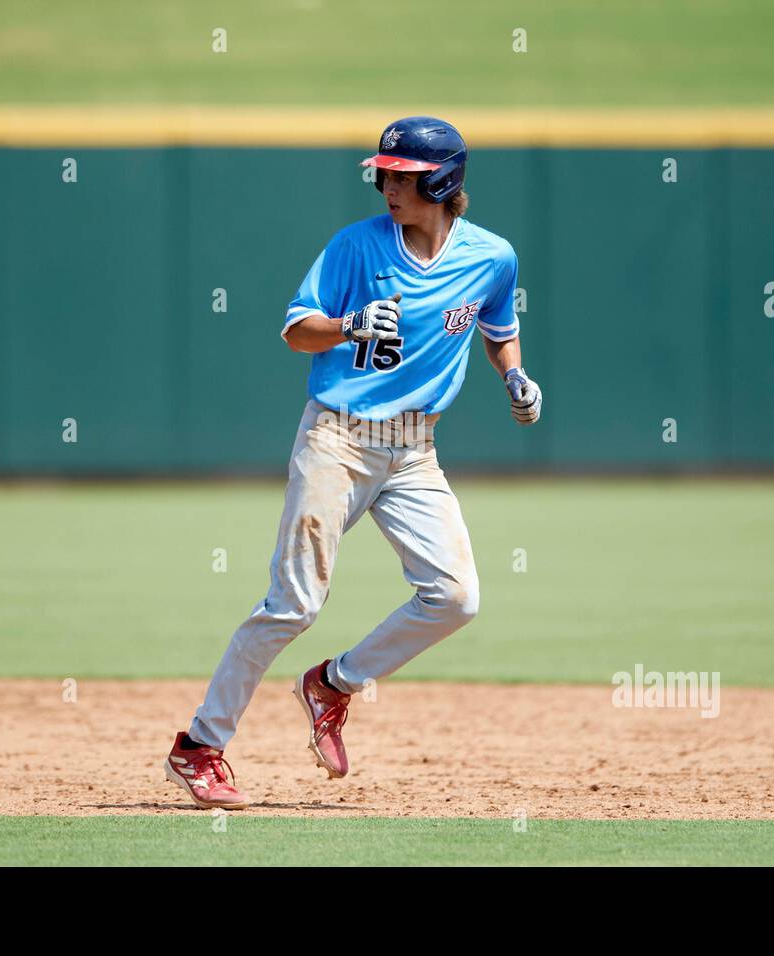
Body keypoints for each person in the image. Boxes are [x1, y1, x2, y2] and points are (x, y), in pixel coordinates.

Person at [164, 116, 542, 809]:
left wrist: (515, 375)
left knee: (456, 597)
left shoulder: (492, 257)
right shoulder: (356, 246)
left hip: (414, 451)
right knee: (294, 604)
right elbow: (293, 330)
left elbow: (498, 330)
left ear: (442, 180)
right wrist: (349, 324)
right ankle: (199, 747)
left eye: (399, 174)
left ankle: (333, 684)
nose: (385, 184)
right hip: (336, 440)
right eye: (383, 172)